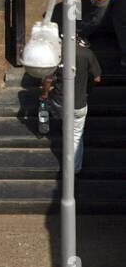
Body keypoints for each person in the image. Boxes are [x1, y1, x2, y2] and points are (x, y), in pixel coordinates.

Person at [40, 35, 102, 174]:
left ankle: (60, 123)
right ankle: (74, 168)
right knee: (76, 135)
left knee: (56, 110)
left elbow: (48, 79)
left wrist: (44, 94)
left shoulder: (57, 54)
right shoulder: (87, 53)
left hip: (60, 102)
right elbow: (97, 78)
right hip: (79, 103)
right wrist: (87, 89)